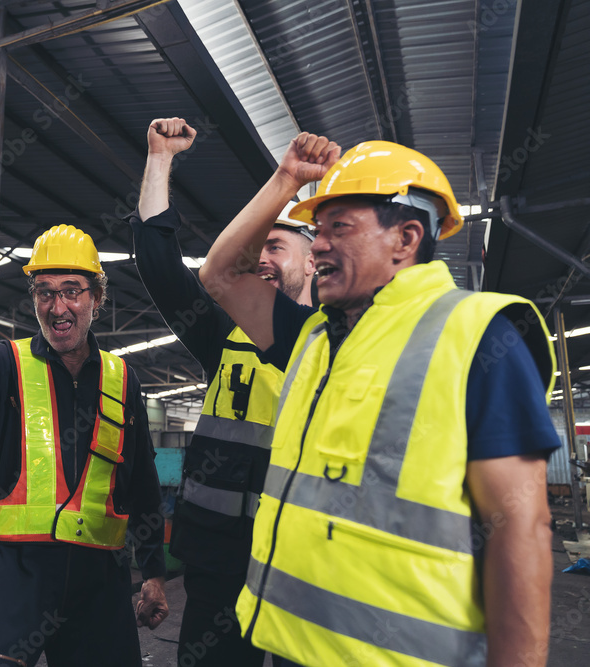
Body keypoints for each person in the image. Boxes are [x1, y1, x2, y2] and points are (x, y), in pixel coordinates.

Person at [197, 132, 560, 667]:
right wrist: (287, 180)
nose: (318, 244)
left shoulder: (478, 337)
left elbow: (520, 530)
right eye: (317, 230)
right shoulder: (314, 337)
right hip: (290, 649)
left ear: (406, 238)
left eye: (338, 227)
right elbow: (220, 274)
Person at [0, 225, 168, 666]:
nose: (58, 306)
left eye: (72, 291)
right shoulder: (3, 362)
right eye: (44, 292)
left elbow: (141, 480)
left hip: (100, 580)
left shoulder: (123, 379)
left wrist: (155, 574)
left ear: (96, 299)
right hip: (16, 575)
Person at [131, 117, 314, 667]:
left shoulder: (339, 345)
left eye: (277, 246)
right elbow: (161, 265)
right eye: (259, 246)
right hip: (218, 563)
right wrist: (159, 159)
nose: (262, 256)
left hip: (301, 564)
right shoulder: (224, 336)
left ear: (312, 260)